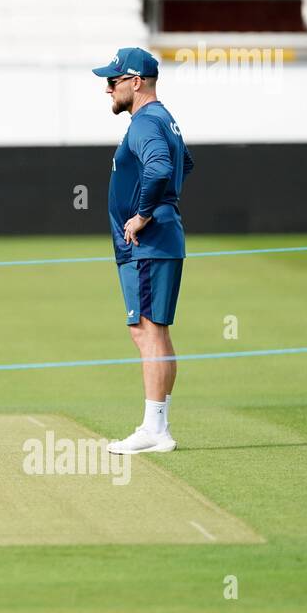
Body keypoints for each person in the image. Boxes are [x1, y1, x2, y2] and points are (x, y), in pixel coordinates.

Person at [91, 47, 194, 454]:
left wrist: (143, 214)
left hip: (149, 242)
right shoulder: (162, 119)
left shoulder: (145, 123)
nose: (107, 88)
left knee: (147, 331)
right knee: (154, 331)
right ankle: (159, 426)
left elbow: (162, 168)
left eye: (113, 81)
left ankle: (154, 430)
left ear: (136, 82)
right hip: (160, 240)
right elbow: (184, 163)